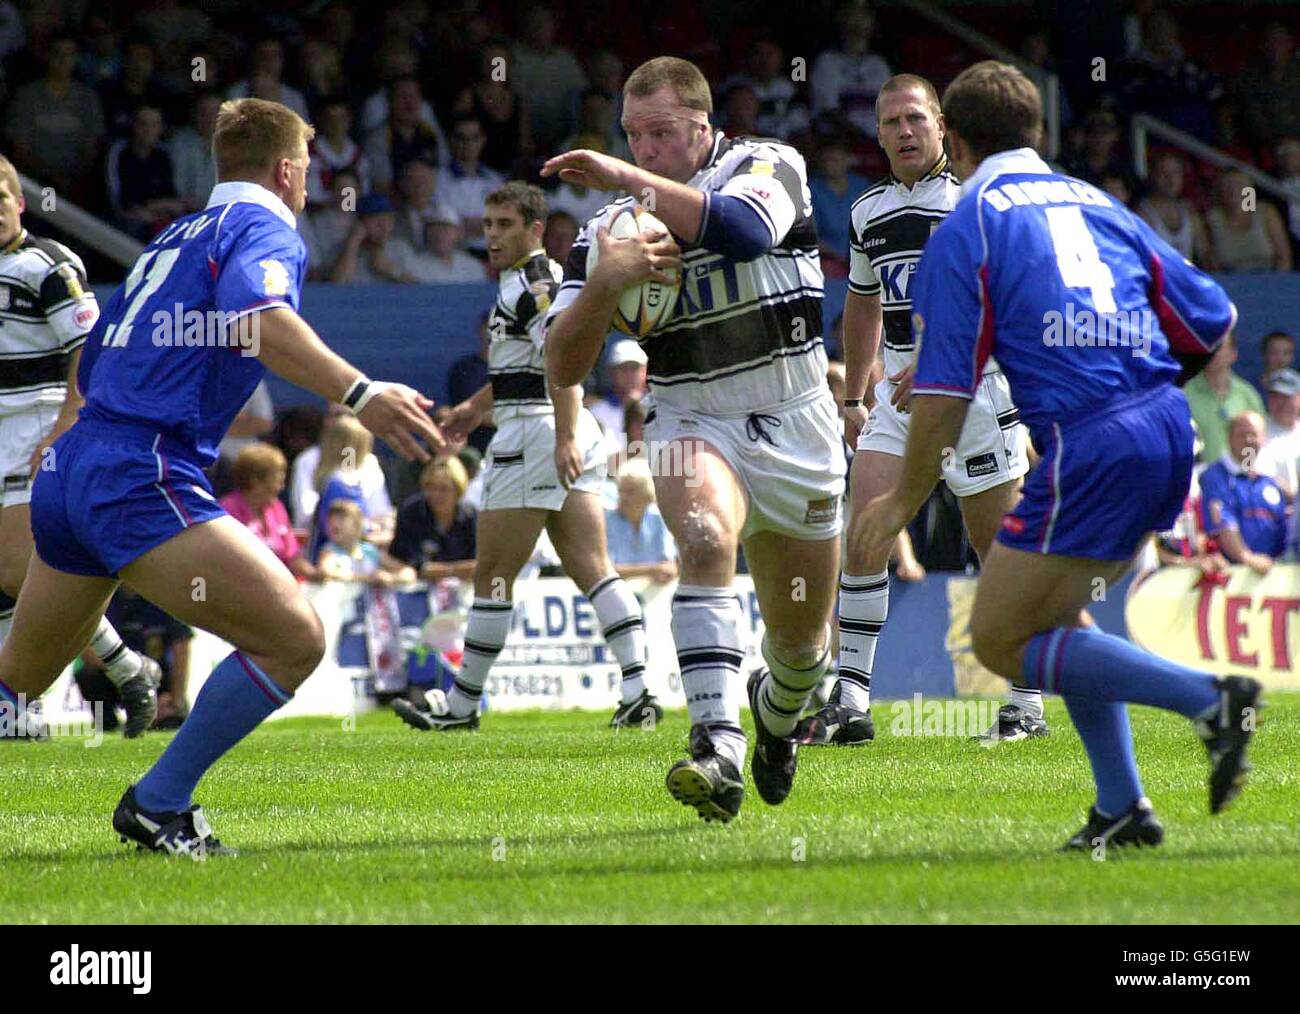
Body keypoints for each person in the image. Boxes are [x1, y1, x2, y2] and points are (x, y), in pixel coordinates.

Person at [0, 98, 443, 852]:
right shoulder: (264, 228)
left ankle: (157, 797)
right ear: (288, 169)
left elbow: (101, 353)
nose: (309, 183)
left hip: (74, 470)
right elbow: (260, 321)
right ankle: (159, 803)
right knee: (294, 639)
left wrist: (75, 442)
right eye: (308, 168)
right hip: (142, 471)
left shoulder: (172, 237)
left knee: (16, 679)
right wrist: (363, 395)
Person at [853, 61, 1259, 850]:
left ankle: (1212, 700)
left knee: (999, 641)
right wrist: (1133, 387)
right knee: (1060, 619)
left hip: (1090, 443)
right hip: (1167, 427)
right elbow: (1213, 318)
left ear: (956, 141)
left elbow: (941, 393)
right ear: (1039, 130)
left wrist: (899, 501)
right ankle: (1123, 807)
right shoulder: (1099, 201)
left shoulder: (965, 225)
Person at [544, 56, 844, 822]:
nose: (645, 150)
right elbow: (563, 363)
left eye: (661, 133)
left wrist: (622, 179)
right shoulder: (604, 233)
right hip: (688, 414)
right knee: (706, 540)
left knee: (802, 650)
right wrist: (609, 280)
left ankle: (775, 722)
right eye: (633, 137)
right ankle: (718, 746)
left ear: (704, 127)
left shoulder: (769, 164)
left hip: (797, 413)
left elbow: (742, 232)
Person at [798, 74, 1036, 750]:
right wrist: (852, 395)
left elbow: (1010, 300)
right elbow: (864, 304)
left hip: (979, 393)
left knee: (1001, 554)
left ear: (941, 126)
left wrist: (947, 366)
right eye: (890, 123)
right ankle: (850, 700)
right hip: (896, 398)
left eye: (915, 120)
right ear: (877, 134)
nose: (903, 132)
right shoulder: (868, 211)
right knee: (865, 528)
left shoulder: (976, 200)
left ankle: (1026, 700)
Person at [397, 182, 661, 732]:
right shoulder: (529, 283)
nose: (492, 235)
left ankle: (462, 705)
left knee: (493, 573)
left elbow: (563, 361)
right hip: (557, 429)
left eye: (504, 225)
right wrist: (472, 409)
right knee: (592, 568)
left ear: (534, 230)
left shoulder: (536, 285)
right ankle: (640, 690)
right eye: (488, 225)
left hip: (537, 435)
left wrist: (563, 437)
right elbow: (526, 365)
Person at [0, 151, 162, 740]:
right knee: (7, 576)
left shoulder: (48, 264)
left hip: (36, 426)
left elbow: (89, 348)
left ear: (20, 202)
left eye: (1, 197)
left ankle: (33, 698)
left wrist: (67, 420)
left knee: (23, 570)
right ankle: (38, 705)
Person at [1199, 412, 1290, 572]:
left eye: (1253, 435)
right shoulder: (1216, 477)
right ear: (1229, 438)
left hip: (1273, 575)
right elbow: (1223, 523)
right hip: (1234, 576)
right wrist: (1246, 557)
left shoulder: (1270, 481)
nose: (1248, 440)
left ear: (1263, 439)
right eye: (1242, 435)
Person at [219, 443, 316, 580]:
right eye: (277, 480)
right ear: (255, 481)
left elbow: (293, 557)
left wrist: (318, 575)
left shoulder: (277, 508)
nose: (281, 487)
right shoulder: (227, 511)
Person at [382, 456, 477, 583]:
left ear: (458, 490)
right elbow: (409, 562)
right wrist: (455, 570)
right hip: (416, 587)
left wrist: (440, 570)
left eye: (444, 489)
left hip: (463, 589)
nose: (436, 494)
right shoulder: (411, 512)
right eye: (431, 487)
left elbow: (479, 564)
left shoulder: (471, 516)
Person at [1182, 332, 1265, 462]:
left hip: (1240, 477)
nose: (1212, 352)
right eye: (1209, 347)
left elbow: (1260, 440)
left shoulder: (1247, 395)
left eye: (1219, 347)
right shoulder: (1184, 394)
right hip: (1197, 477)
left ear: (1233, 354)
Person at [605, 460, 678, 583]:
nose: (623, 497)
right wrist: (652, 570)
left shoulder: (659, 518)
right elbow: (606, 571)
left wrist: (668, 571)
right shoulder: (607, 520)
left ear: (647, 494)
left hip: (654, 596)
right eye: (620, 490)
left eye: (630, 491)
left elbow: (668, 564)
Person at [319, 500, 394, 582]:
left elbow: (406, 572)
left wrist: (390, 578)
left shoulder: (368, 550)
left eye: (341, 518)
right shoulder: (330, 550)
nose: (334, 523)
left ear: (357, 525)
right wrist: (366, 578)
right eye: (331, 519)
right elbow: (326, 572)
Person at [1259, 368, 1300, 498]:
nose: (1281, 403)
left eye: (1287, 397)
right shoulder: (1253, 431)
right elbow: (1245, 469)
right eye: (1276, 397)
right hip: (1264, 507)